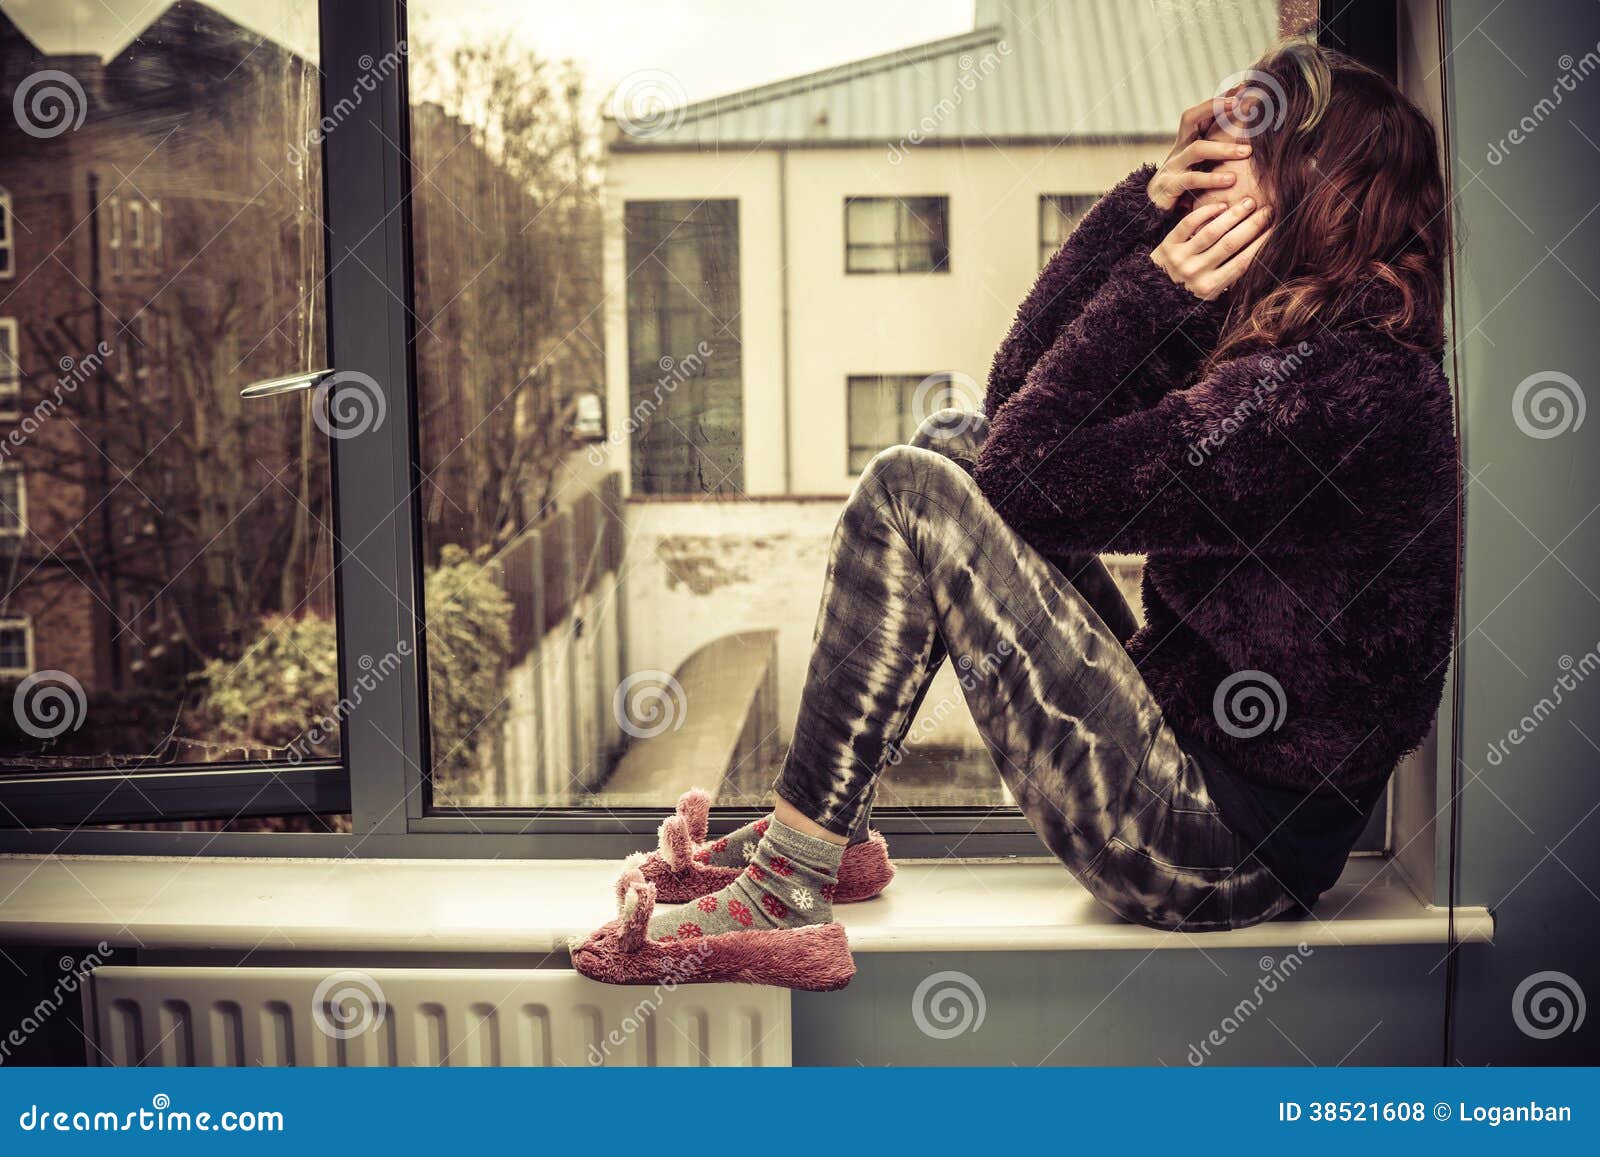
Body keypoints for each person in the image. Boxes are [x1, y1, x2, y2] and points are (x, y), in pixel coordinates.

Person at [573, 41, 1458, 990]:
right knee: (953, 441)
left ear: (1320, 196)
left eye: (1253, 160)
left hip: (1223, 849)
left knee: (911, 489)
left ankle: (789, 883)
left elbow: (1033, 474)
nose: (1219, 177)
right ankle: (833, 833)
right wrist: (1141, 208)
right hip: (1194, 759)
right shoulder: (1297, 339)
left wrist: (1156, 290)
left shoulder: (1343, 389)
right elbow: (1010, 410)